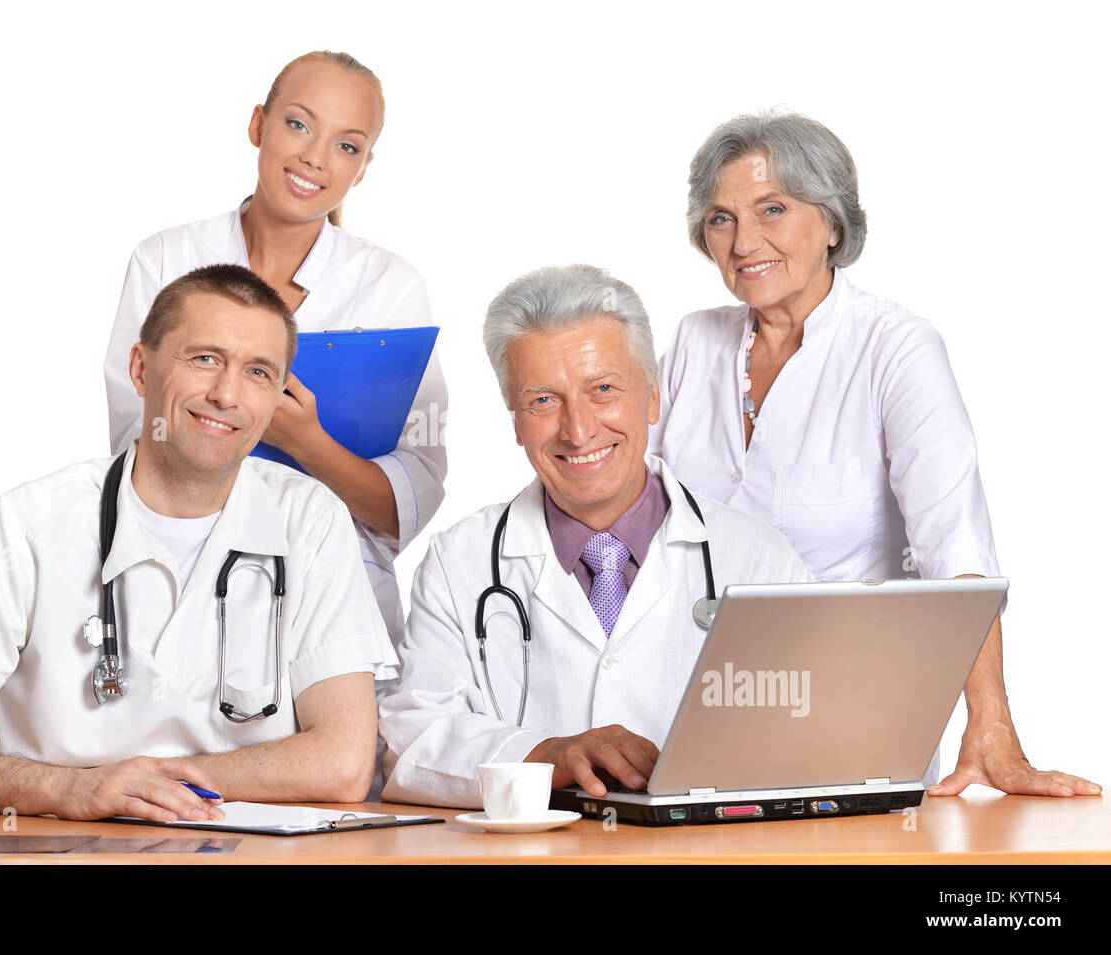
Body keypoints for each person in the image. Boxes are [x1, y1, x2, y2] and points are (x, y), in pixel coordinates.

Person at [649, 111, 1100, 798]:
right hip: (685, 726)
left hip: (846, 730)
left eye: (773, 208)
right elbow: (634, 512)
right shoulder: (692, 342)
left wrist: (991, 723)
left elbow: (955, 544)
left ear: (831, 223)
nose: (744, 241)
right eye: (720, 218)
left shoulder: (896, 348)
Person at [0, 266, 396, 821]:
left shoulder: (310, 521)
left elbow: (343, 762)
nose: (226, 395)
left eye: (259, 373)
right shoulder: (28, 523)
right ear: (141, 369)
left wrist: (133, 784)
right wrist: (68, 790)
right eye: (204, 359)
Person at [378, 265, 812, 808]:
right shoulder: (457, 562)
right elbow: (410, 744)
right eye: (543, 401)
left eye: (603, 390)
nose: (578, 430)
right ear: (515, 421)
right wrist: (549, 755)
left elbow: (810, 735)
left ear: (651, 398)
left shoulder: (757, 558)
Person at [103, 50, 445, 645]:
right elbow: (135, 452)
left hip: (336, 598)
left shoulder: (391, 288)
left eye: (347, 145)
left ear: (363, 167)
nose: (315, 156)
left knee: (335, 736)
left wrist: (303, 440)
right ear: (259, 124)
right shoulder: (166, 260)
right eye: (298, 124)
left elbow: (403, 504)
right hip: (181, 579)